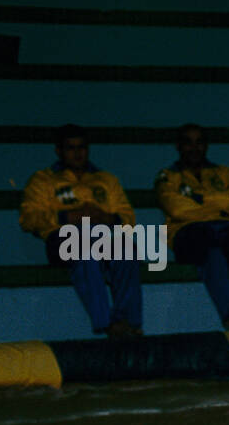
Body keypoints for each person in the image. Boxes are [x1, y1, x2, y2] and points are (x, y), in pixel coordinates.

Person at [19, 125, 141, 338]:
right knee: (82, 247)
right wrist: (66, 217)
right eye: (70, 148)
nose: (77, 153)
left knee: (126, 249)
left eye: (82, 147)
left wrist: (107, 217)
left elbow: (128, 217)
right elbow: (28, 219)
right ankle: (107, 322)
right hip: (63, 237)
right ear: (58, 151)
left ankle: (129, 321)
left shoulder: (106, 180)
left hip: (104, 235)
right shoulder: (43, 180)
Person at [156, 124, 229, 332]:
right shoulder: (168, 176)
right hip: (188, 231)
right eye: (188, 142)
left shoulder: (224, 173)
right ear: (179, 146)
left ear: (206, 145)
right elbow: (176, 208)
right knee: (212, 252)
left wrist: (199, 200)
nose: (194, 148)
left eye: (199, 142)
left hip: (226, 228)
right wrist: (219, 204)